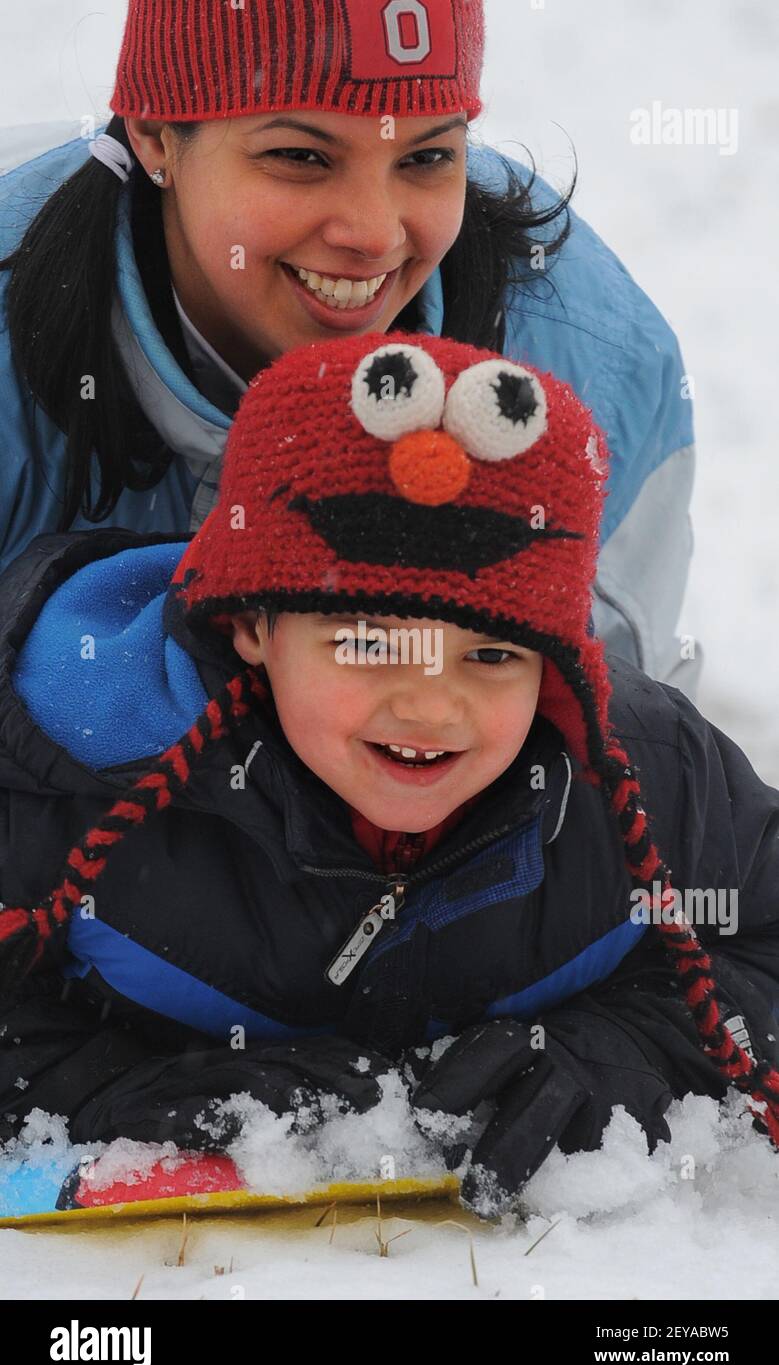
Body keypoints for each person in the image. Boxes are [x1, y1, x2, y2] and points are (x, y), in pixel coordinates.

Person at [0, 331, 776, 1219]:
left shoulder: (649, 779)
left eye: (490, 653)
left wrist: (622, 1056)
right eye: (367, 643)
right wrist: (114, 1095)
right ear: (251, 625)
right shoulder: (64, 771)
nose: (428, 708)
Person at [0, 0, 698, 697]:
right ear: (154, 135)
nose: (372, 233)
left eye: (426, 158)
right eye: (300, 156)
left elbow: (622, 766)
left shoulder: (591, 362)